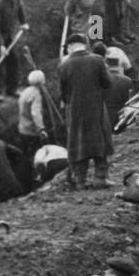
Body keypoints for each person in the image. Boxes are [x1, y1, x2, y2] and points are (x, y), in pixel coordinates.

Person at [58, 33, 115, 188]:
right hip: (96, 107)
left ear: (70, 47)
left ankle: (80, 180)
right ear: (85, 45)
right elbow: (107, 83)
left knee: (78, 142)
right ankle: (100, 178)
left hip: (75, 111)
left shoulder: (64, 65)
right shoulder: (97, 60)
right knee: (100, 140)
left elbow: (62, 93)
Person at [17, 70, 49, 189]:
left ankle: (25, 182)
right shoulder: (36, 94)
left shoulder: (25, 91)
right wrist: (41, 129)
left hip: (22, 129)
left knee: (25, 157)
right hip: (31, 131)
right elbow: (36, 113)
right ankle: (35, 182)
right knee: (36, 158)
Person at [104, 51, 135, 127]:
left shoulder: (102, 80)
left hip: (106, 117)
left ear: (107, 65)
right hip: (122, 117)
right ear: (118, 65)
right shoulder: (128, 80)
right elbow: (131, 102)